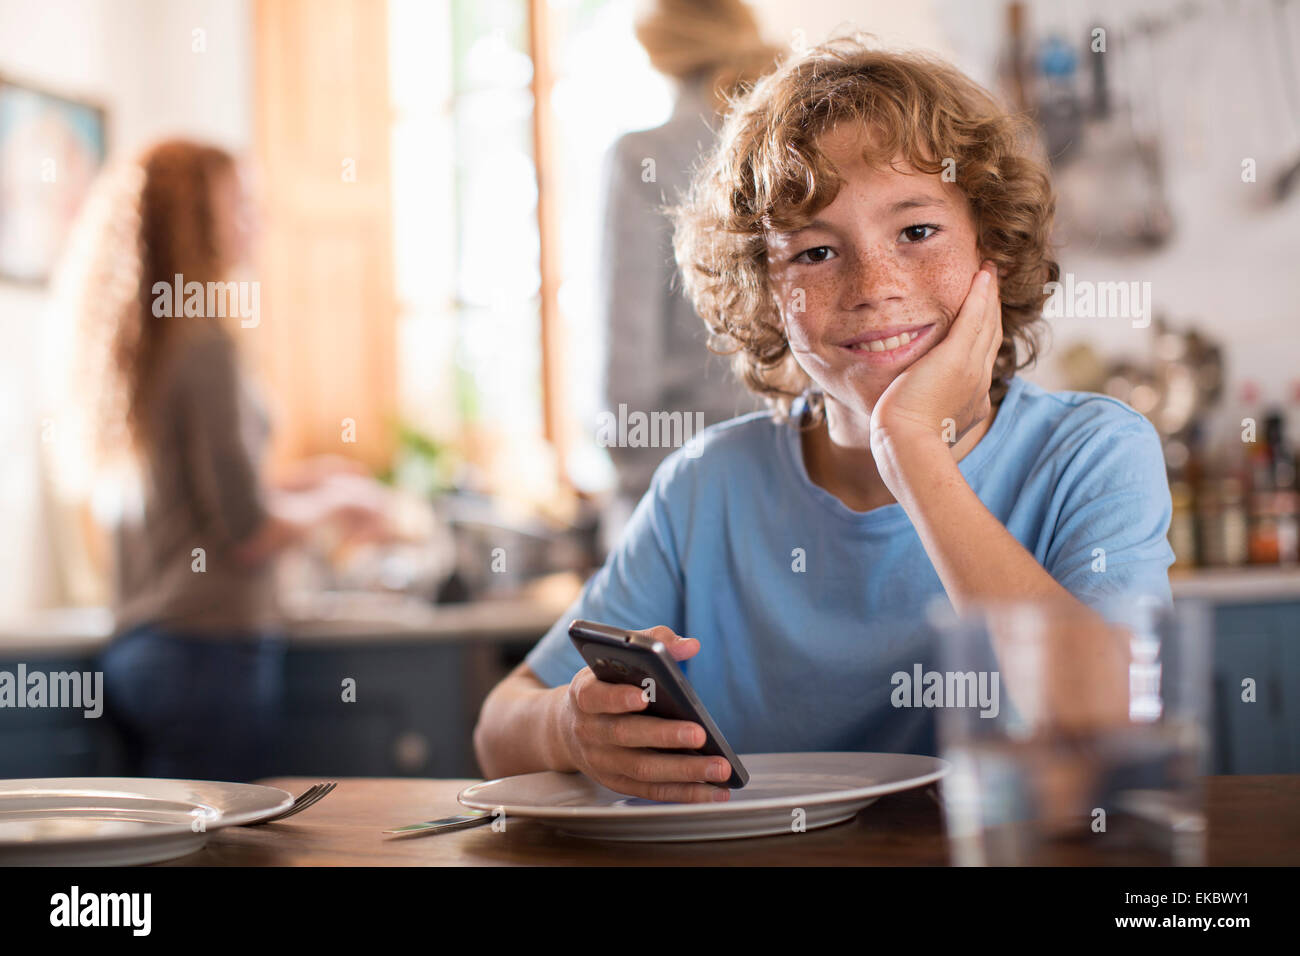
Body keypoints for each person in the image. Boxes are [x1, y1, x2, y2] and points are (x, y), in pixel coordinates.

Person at [474, 37, 1174, 803]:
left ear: (993, 250)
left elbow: (1110, 727)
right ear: (767, 294)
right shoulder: (710, 485)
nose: (874, 286)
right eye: (813, 252)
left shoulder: (1093, 452)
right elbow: (497, 728)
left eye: (916, 232)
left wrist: (912, 450)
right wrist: (568, 730)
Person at [61, 139, 391, 781]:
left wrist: (311, 479)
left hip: (143, 650)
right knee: (216, 851)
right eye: (240, 205)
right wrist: (345, 502)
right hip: (204, 652)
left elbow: (200, 500)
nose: (257, 221)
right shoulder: (206, 342)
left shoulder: (149, 344)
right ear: (194, 220)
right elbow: (245, 531)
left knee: (158, 856)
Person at [599, 0, 780, 520]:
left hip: (683, 475)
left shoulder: (643, 156)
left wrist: (630, 490)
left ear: (659, 46)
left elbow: (627, 355)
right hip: (806, 465)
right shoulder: (799, 138)